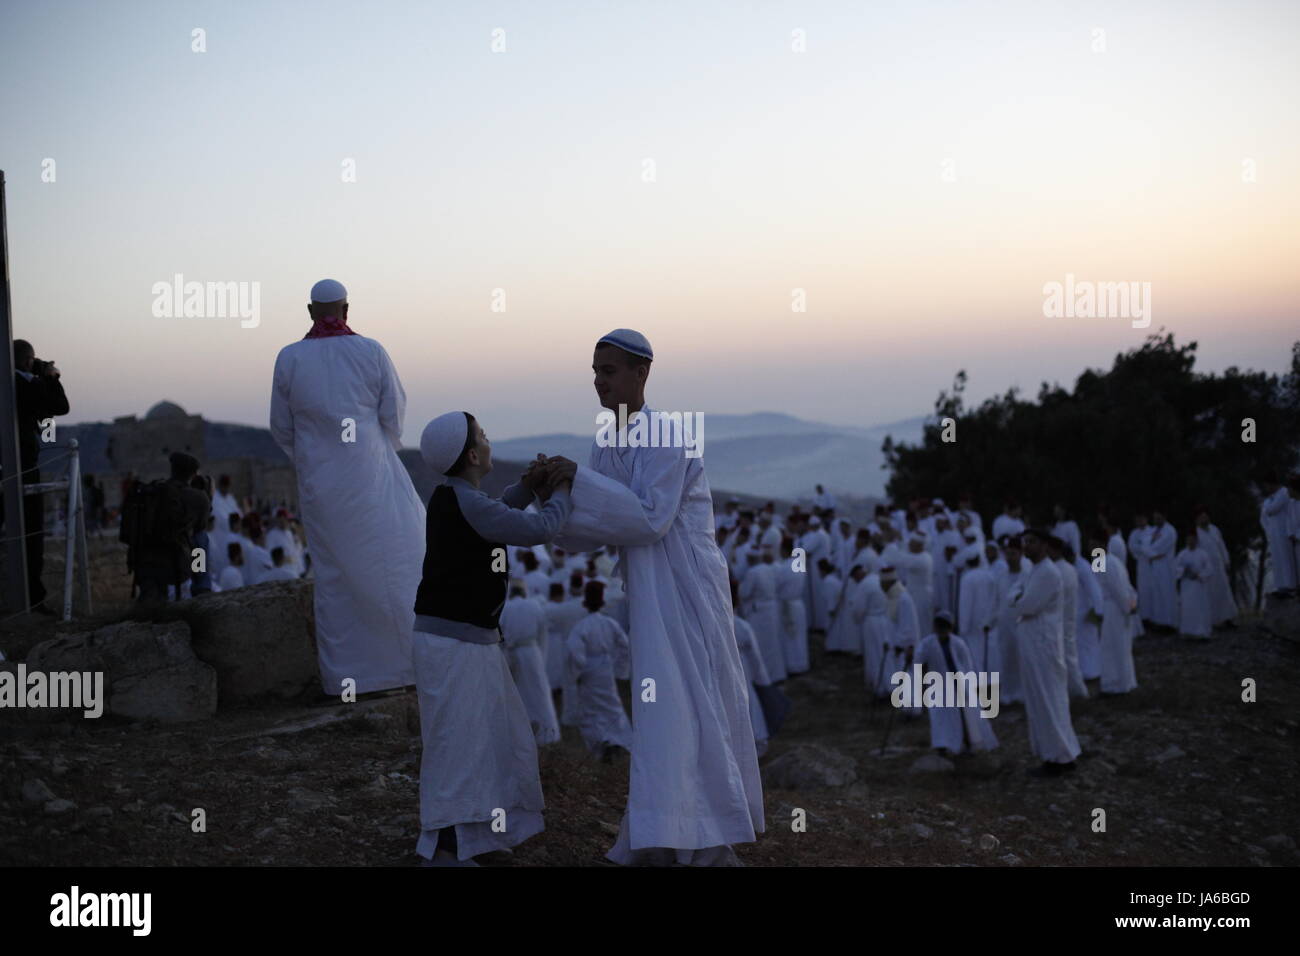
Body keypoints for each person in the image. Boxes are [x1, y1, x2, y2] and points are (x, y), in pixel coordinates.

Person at [548, 328, 763, 866]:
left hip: (685, 585)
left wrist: (580, 483)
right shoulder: (607, 439)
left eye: (610, 370)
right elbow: (595, 523)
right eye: (595, 371)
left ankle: (704, 840)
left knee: (689, 702)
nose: (599, 381)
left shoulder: (667, 434)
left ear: (642, 373)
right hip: (647, 590)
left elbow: (649, 517)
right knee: (660, 709)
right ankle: (661, 835)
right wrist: (547, 504)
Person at [409, 410, 572, 866]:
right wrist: (561, 489)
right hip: (455, 644)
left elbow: (498, 509)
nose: (488, 437)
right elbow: (539, 529)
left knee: (481, 745)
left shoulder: (453, 496)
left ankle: (474, 839)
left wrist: (528, 486)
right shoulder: (469, 504)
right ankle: (445, 849)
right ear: (474, 454)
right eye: (482, 434)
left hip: (462, 641)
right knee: (460, 748)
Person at [270, 279, 427, 697]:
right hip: (371, 474)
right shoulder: (371, 351)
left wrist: (313, 461)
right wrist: (376, 451)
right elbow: (393, 414)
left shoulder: (289, 358)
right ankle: (405, 668)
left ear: (309, 311)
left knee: (335, 574)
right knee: (394, 563)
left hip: (321, 486)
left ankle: (347, 678)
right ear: (347, 308)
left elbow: (282, 429)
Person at [1009, 529, 1080, 776]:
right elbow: (1014, 595)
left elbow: (1026, 605)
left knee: (1050, 699)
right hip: (1033, 643)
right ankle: (1052, 753)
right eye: (1025, 541)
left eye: (1032, 542)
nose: (1026, 546)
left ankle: (1060, 756)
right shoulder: (1034, 571)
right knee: (1039, 700)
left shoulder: (1048, 572)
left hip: (1044, 645)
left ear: (1044, 545)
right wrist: (1018, 599)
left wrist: (1018, 600)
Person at [9, 340, 70, 614]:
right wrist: (51, 377)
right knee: (32, 534)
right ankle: (33, 600)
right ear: (26, 362)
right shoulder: (25, 385)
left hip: (12, 465)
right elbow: (59, 407)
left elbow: (45, 414)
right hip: (22, 466)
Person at [125, 452, 211, 604]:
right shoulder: (197, 498)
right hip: (176, 572)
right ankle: (202, 588)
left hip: (144, 569)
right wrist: (208, 497)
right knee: (201, 538)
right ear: (193, 474)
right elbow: (199, 532)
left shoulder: (153, 492)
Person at [566, 580, 633, 760]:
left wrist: (577, 673)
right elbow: (624, 645)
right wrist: (620, 670)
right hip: (606, 668)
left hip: (590, 671)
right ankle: (616, 739)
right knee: (611, 705)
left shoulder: (581, 627)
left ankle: (601, 742)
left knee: (592, 708)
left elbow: (575, 653)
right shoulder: (609, 623)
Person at [916, 611, 998, 755]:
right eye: (939, 627)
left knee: (964, 715)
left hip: (958, 684)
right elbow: (919, 659)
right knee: (940, 715)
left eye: (945, 627)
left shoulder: (958, 643)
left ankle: (967, 741)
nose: (941, 630)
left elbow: (967, 664)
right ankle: (942, 743)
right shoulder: (928, 643)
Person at [500, 582, 562, 747]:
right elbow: (543, 633)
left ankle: (517, 733)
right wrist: (541, 656)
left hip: (512, 652)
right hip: (532, 652)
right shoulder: (534, 606)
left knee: (516, 692)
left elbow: (501, 634)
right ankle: (546, 732)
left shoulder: (505, 608)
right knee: (538, 692)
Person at [1090, 531, 1138, 694]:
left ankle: (1117, 684)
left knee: (1114, 646)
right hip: (1112, 606)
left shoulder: (1109, 562)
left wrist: (1128, 605)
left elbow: (1118, 589)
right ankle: (1116, 682)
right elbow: (1097, 585)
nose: (1091, 547)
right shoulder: (1104, 561)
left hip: (1114, 608)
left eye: (1093, 544)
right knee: (1113, 646)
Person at [1259, 475, 1296, 598]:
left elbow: (1271, 509)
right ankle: (1281, 585)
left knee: (1286, 558)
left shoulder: (1283, 492)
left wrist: (1267, 508)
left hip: (1284, 532)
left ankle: (1291, 584)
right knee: (1277, 559)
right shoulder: (1269, 499)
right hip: (1274, 534)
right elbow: (1263, 516)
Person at [1175, 530, 1213, 639]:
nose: (1191, 542)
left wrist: (1199, 575)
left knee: (1200, 609)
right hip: (1186, 585)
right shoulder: (1182, 554)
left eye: (1193, 539)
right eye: (1189, 540)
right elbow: (1176, 567)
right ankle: (1188, 632)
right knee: (1187, 608)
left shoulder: (1203, 554)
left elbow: (1209, 569)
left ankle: (1201, 632)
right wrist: (1184, 571)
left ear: (1196, 541)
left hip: (1198, 585)